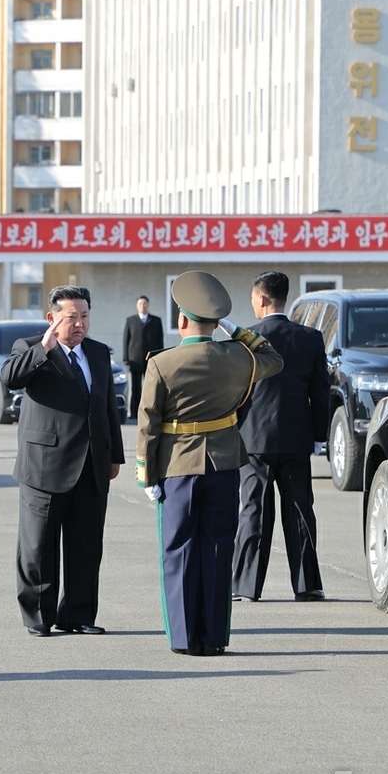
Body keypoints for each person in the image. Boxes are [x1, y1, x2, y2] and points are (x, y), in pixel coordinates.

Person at [136, 271, 283, 656]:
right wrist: (235, 329)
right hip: (223, 464)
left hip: (175, 467)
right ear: (214, 321)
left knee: (179, 548)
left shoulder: (162, 364)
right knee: (218, 547)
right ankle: (214, 637)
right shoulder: (238, 356)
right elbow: (274, 358)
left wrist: (146, 474)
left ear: (182, 319)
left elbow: (148, 424)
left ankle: (185, 638)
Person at [2, 284, 124, 636]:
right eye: (71, 317)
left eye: (84, 316)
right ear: (52, 318)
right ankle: (39, 616)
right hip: (45, 464)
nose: (79, 324)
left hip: (91, 465)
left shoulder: (98, 354)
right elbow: (10, 378)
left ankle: (79, 614)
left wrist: (113, 455)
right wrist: (44, 347)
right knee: (38, 546)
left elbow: (106, 410)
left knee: (86, 545)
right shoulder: (29, 348)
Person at [234, 271, 331, 603]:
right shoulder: (311, 338)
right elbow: (321, 392)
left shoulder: (245, 338)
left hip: (252, 439)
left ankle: (246, 586)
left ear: (261, 299)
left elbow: (234, 392)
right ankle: (307, 585)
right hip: (295, 436)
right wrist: (319, 435)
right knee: (300, 511)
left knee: (254, 511)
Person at [121, 295, 164, 421]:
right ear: (137, 305)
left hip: (151, 358)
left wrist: (159, 355)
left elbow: (159, 340)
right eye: (140, 304)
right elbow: (126, 340)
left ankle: (151, 411)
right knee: (135, 388)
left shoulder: (156, 321)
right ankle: (134, 413)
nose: (142, 306)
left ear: (148, 305)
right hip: (135, 359)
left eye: (145, 304)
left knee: (151, 387)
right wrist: (126, 357)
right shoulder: (131, 320)